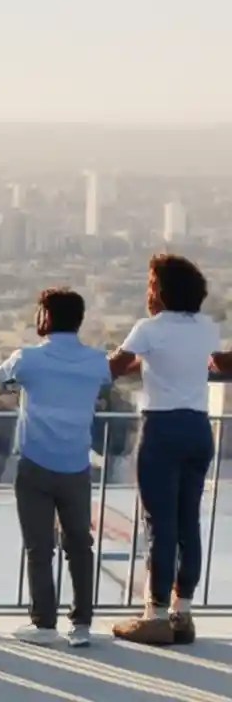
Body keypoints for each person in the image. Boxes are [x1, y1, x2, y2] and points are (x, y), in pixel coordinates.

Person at [0, 288, 110, 648]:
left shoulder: (27, 359)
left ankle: (43, 623)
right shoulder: (96, 362)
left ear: (45, 318)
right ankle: (82, 624)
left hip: (36, 464)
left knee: (39, 547)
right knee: (80, 546)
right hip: (76, 465)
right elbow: (112, 377)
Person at [110, 254, 220, 645]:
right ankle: (182, 614)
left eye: (150, 284)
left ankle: (153, 615)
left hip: (161, 428)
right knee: (189, 520)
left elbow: (114, 368)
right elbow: (217, 361)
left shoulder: (149, 329)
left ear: (159, 290)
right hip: (198, 428)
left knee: (161, 524)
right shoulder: (206, 327)